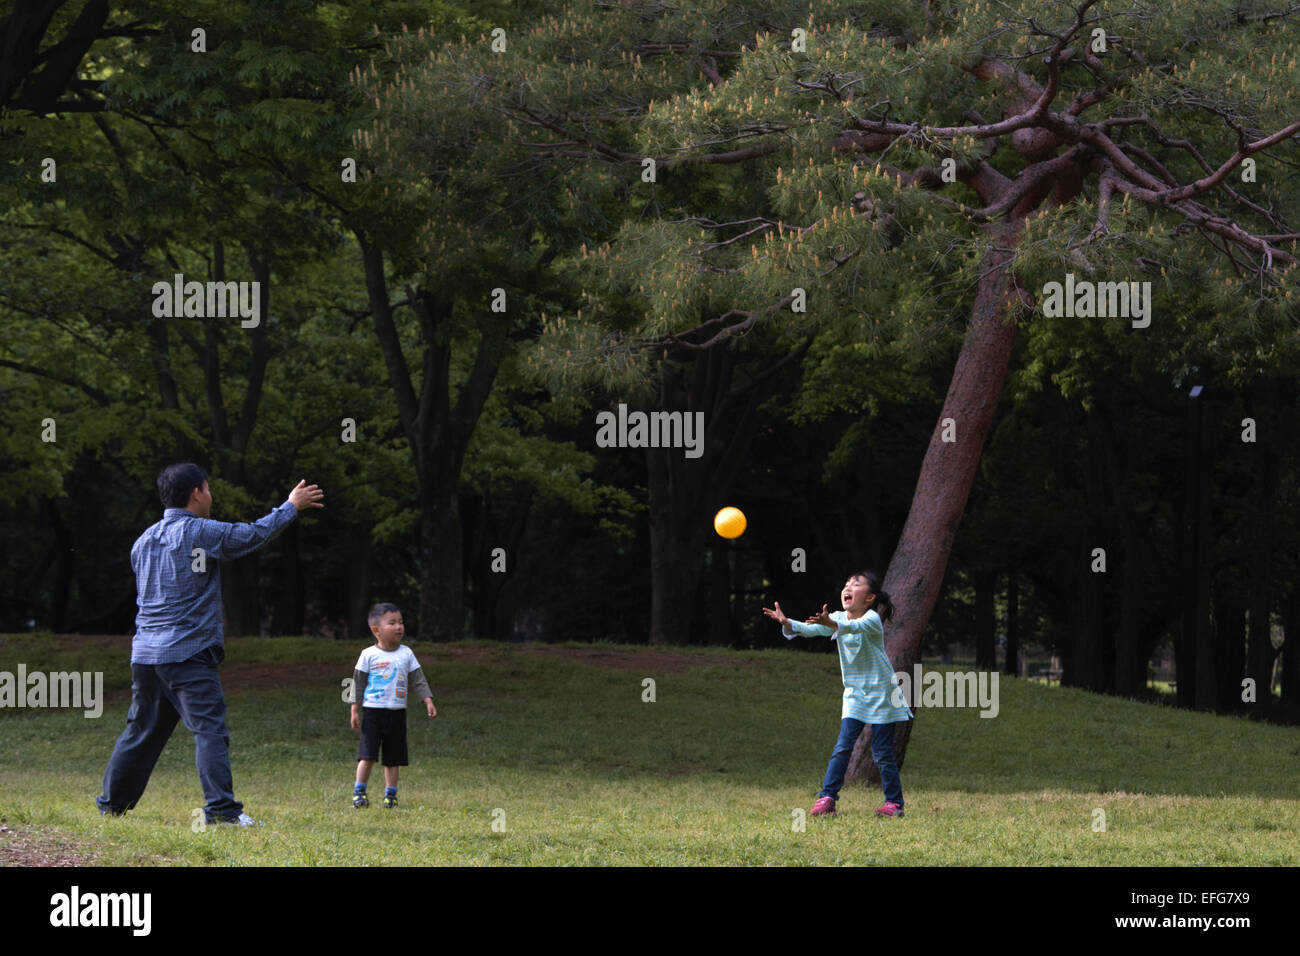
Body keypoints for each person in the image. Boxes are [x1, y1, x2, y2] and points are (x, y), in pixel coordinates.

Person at [96, 463, 324, 825]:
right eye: (209, 488)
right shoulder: (199, 531)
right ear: (196, 493)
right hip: (187, 654)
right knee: (210, 731)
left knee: (140, 731)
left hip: (145, 655)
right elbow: (251, 536)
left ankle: (112, 806)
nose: (211, 495)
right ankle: (221, 812)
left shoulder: (143, 541)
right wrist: (290, 506)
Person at [762, 569, 912, 818]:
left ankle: (894, 804)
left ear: (870, 598)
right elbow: (810, 629)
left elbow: (852, 629)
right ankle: (827, 798)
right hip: (854, 695)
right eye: (846, 584)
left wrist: (831, 624)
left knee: (882, 753)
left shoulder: (872, 620)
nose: (848, 588)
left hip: (883, 694)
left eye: (856, 584)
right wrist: (787, 623)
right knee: (843, 747)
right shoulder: (839, 617)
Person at [350, 602, 436, 808]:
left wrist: (428, 700)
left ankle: (391, 795)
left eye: (401, 622)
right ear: (376, 630)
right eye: (392, 623)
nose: (399, 627)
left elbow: (418, 679)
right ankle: (359, 791)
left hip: (397, 714)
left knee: (393, 757)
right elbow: (358, 683)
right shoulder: (368, 654)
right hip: (372, 713)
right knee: (367, 755)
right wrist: (354, 709)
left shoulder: (406, 654)